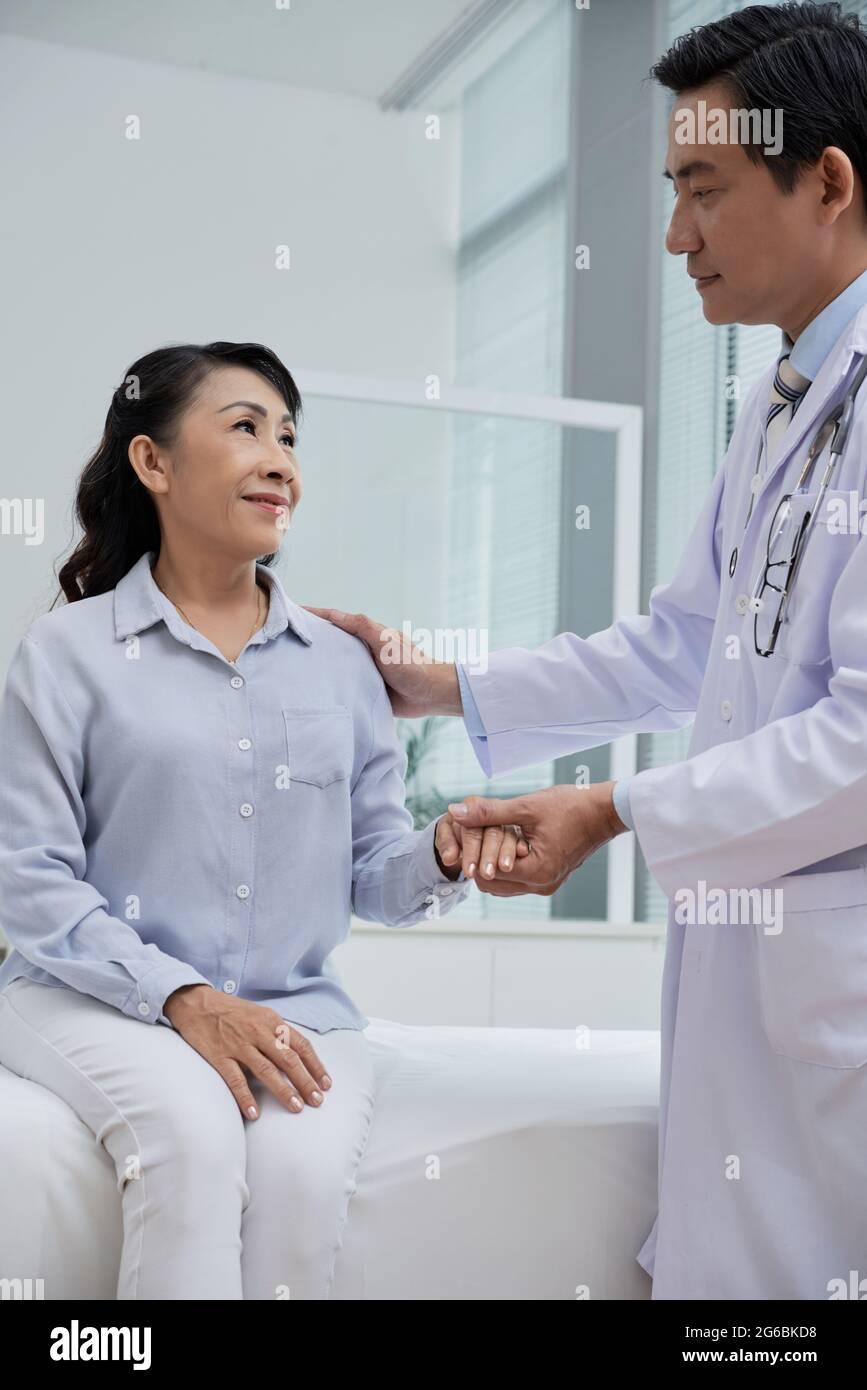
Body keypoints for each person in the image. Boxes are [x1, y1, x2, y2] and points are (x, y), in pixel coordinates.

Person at [310, 3, 867, 1299]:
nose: (673, 235)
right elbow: (678, 647)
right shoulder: (782, 404)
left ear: (826, 180)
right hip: (765, 984)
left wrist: (613, 806)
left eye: (701, 190)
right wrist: (432, 683)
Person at [0, 339, 525, 1300]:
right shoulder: (65, 653)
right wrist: (185, 997)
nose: (281, 457)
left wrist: (440, 855)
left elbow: (373, 871)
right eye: (244, 428)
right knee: (191, 1138)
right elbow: (26, 878)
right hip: (89, 996)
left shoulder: (340, 662)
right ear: (152, 463)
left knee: (301, 1178)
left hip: (294, 1015)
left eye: (288, 435)